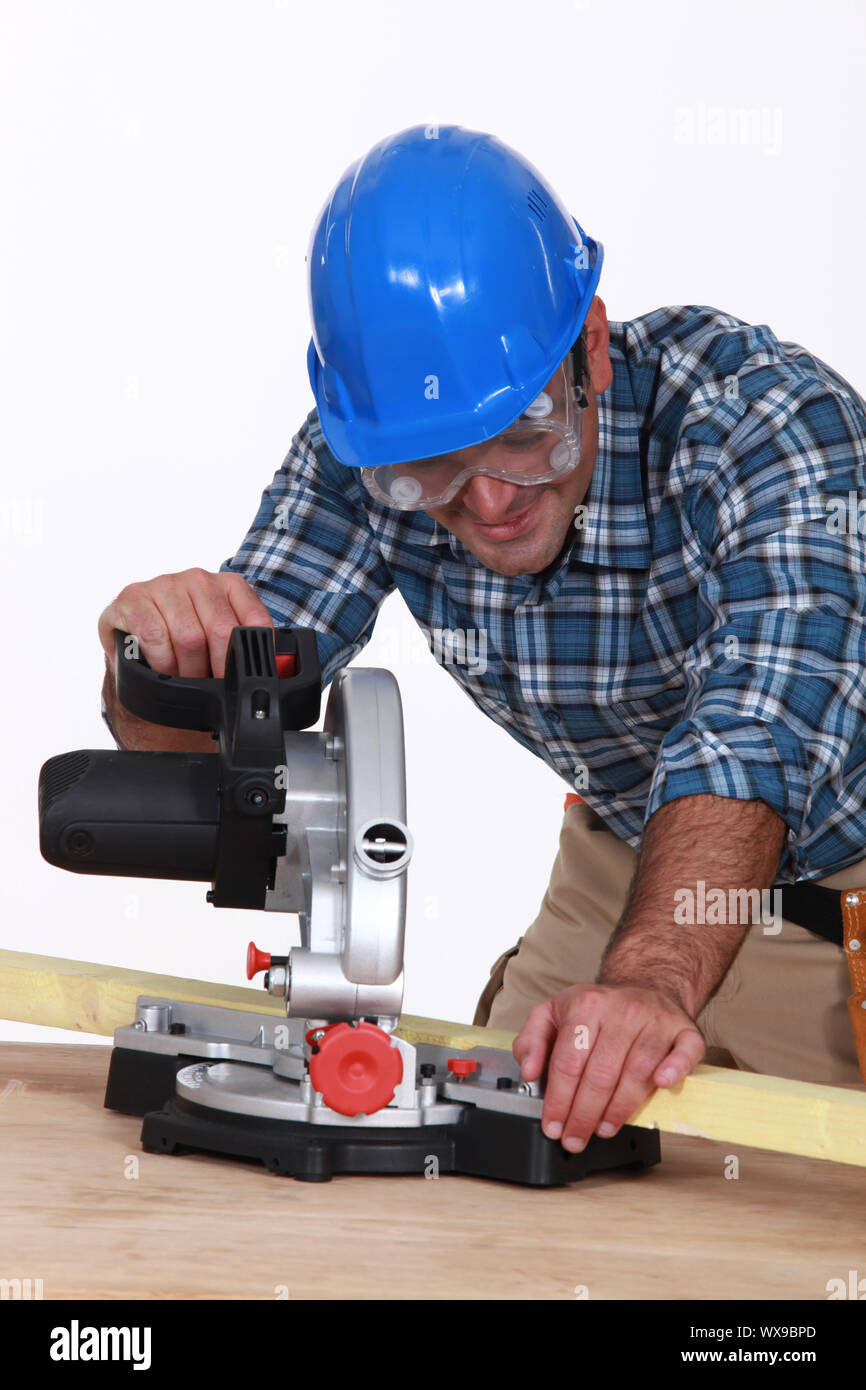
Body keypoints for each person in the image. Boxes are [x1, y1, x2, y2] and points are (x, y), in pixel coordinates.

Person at [99, 123, 866, 1158]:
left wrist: (644, 983)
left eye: (522, 434)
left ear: (589, 346)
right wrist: (152, 669)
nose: (490, 499)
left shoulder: (761, 420)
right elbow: (238, 724)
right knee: (481, 1187)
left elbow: (755, 727)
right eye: (433, 471)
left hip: (835, 913)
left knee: (805, 1249)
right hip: (626, 861)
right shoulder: (369, 452)